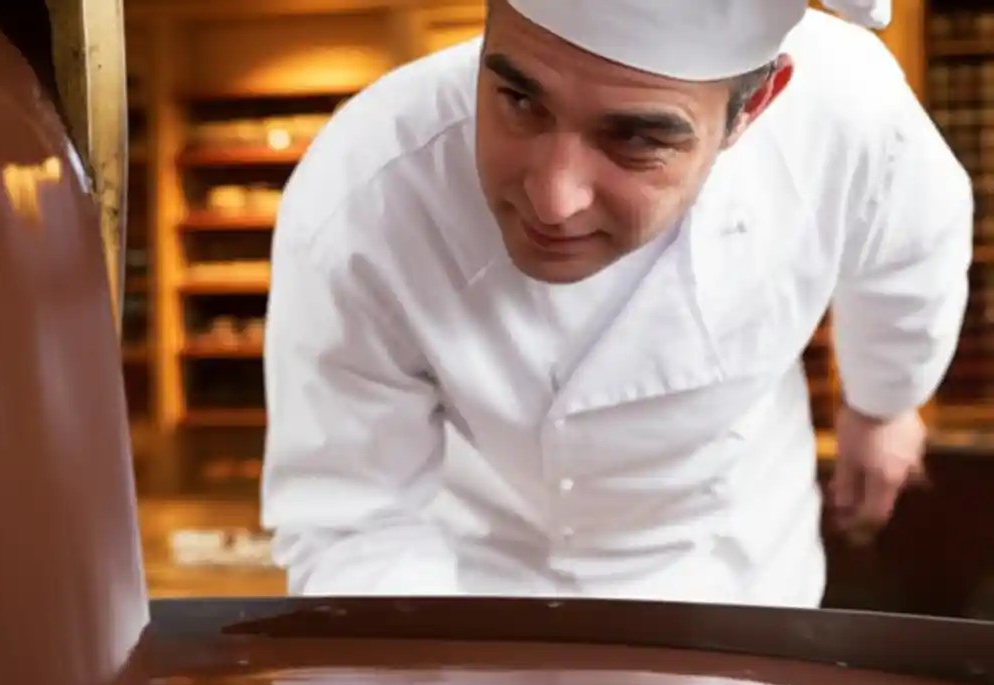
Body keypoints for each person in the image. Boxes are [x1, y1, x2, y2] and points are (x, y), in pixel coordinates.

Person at [260, 0, 973, 607]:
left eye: (636, 138)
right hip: (475, 573)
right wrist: (419, 682)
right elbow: (356, 518)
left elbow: (913, 253)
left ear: (752, 107)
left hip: (737, 570)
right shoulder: (366, 190)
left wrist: (883, 402)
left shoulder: (852, 114)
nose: (553, 199)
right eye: (518, 100)